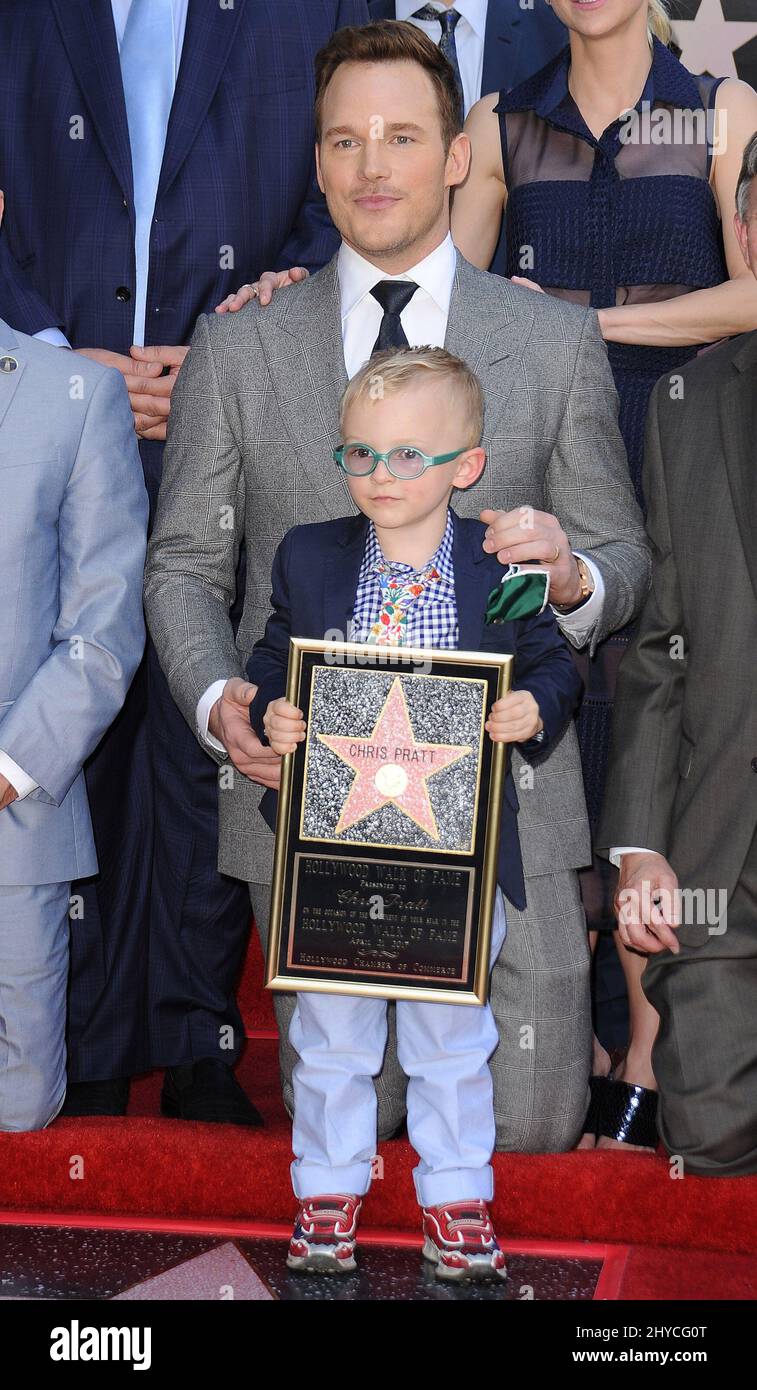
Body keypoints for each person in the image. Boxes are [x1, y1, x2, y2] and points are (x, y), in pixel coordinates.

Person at [145, 18, 650, 1154]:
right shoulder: (239, 346)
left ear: (458, 157)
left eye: (403, 136)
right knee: (354, 1115)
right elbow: (182, 566)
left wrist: (570, 574)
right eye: (344, 141)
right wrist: (220, 698)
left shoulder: (552, 342)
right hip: (315, 813)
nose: (372, 166)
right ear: (316, 162)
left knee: (524, 1127)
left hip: (509, 810)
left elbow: (624, 560)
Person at [0, 0, 368, 1122]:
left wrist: (246, 329)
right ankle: (93, 1035)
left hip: (240, 401)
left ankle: (203, 1030)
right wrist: (65, 362)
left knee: (216, 703)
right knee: (71, 702)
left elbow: (334, 201)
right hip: (51, 402)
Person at [445, 0, 757, 1147]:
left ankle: (647, 1051)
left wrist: (585, 331)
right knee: (553, 760)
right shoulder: (504, 120)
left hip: (689, 476)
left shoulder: (718, 112)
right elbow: (446, 311)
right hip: (541, 494)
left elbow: (755, 292)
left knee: (653, 763)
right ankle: (563, 1040)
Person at [246, 346, 583, 1277]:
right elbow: (274, 651)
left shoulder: (497, 562)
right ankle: (325, 1192)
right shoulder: (309, 553)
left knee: (451, 1035)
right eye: (358, 454)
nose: (377, 475)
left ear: (464, 468)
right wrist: (275, 704)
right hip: (337, 849)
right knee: (330, 1033)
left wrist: (535, 705)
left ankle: (457, 1199)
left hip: (455, 852)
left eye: (405, 456)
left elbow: (554, 661)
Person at [595, 133, 757, 1177]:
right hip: (722, 873)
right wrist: (639, 847)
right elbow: (656, 651)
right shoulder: (684, 408)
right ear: (743, 232)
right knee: (705, 1134)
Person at [0, 312, 148, 1130]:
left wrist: (10, 766)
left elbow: (104, 626)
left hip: (14, 813)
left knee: (17, 1111)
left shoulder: (79, 397)